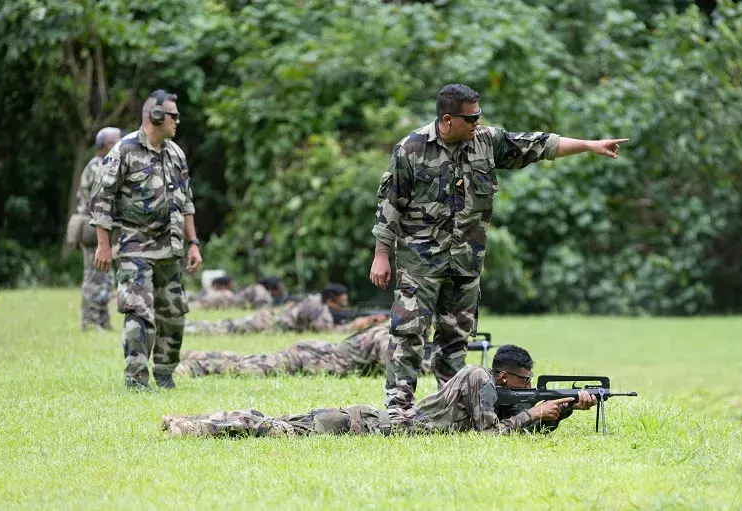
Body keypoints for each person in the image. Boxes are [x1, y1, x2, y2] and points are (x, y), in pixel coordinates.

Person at [369, 83, 628, 408]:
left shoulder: (486, 142)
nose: (478, 122)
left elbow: (538, 144)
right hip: (419, 264)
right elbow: (389, 204)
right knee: (409, 334)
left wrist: (589, 145)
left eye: (479, 115)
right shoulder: (411, 149)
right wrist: (381, 255)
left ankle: (452, 407)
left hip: (465, 264)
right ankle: (398, 408)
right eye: (471, 117)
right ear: (448, 119)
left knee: (455, 338)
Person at [161, 344, 597, 438]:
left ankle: (197, 423)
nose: (527, 389)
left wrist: (562, 411)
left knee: (282, 425)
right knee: (280, 430)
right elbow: (489, 437)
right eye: (524, 383)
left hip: (381, 423)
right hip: (375, 425)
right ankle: (192, 427)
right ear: (504, 378)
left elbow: (509, 425)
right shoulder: (479, 379)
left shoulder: (490, 386)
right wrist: (534, 415)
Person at [90, 89, 203, 390]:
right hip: (134, 247)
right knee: (138, 313)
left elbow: (187, 202)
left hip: (171, 248)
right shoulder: (124, 150)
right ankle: (137, 380)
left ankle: (165, 375)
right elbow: (102, 198)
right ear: (155, 116)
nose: (177, 121)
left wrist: (193, 244)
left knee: (174, 314)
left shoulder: (175, 153)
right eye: (173, 115)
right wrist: (103, 245)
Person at [177, 322, 434, 378]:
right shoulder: (389, 334)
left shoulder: (391, 329)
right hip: (318, 359)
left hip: (317, 353)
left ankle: (196, 355)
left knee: (252, 359)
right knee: (252, 368)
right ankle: (196, 365)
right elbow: (395, 363)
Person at [185, 283, 387, 335]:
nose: (343, 306)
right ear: (331, 299)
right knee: (221, 328)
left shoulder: (316, 301)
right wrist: (358, 324)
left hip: (267, 320)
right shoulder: (317, 307)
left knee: (223, 326)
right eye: (341, 303)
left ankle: (191, 326)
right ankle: (189, 327)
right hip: (265, 324)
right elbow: (326, 331)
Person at [76, 127, 120, 331]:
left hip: (99, 224)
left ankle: (102, 319)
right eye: (117, 141)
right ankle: (90, 321)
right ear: (109, 145)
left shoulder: (103, 165)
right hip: (92, 225)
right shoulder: (97, 167)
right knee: (94, 275)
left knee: (105, 276)